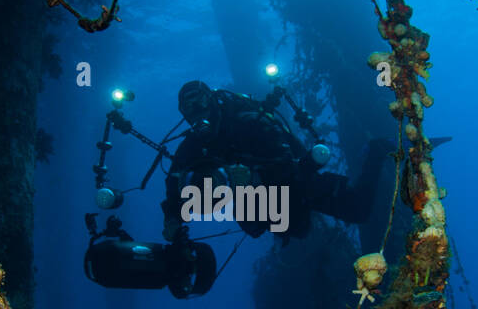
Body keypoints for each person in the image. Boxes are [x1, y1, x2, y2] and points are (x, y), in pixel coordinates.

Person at [161, 80, 390, 243]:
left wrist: (254, 177)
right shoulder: (191, 145)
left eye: (198, 103)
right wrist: (171, 220)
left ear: (210, 101)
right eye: (187, 108)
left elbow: (289, 159)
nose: (195, 112)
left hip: (294, 182)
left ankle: (375, 152)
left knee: (359, 210)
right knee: (292, 230)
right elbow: (174, 183)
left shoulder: (248, 122)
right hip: (260, 206)